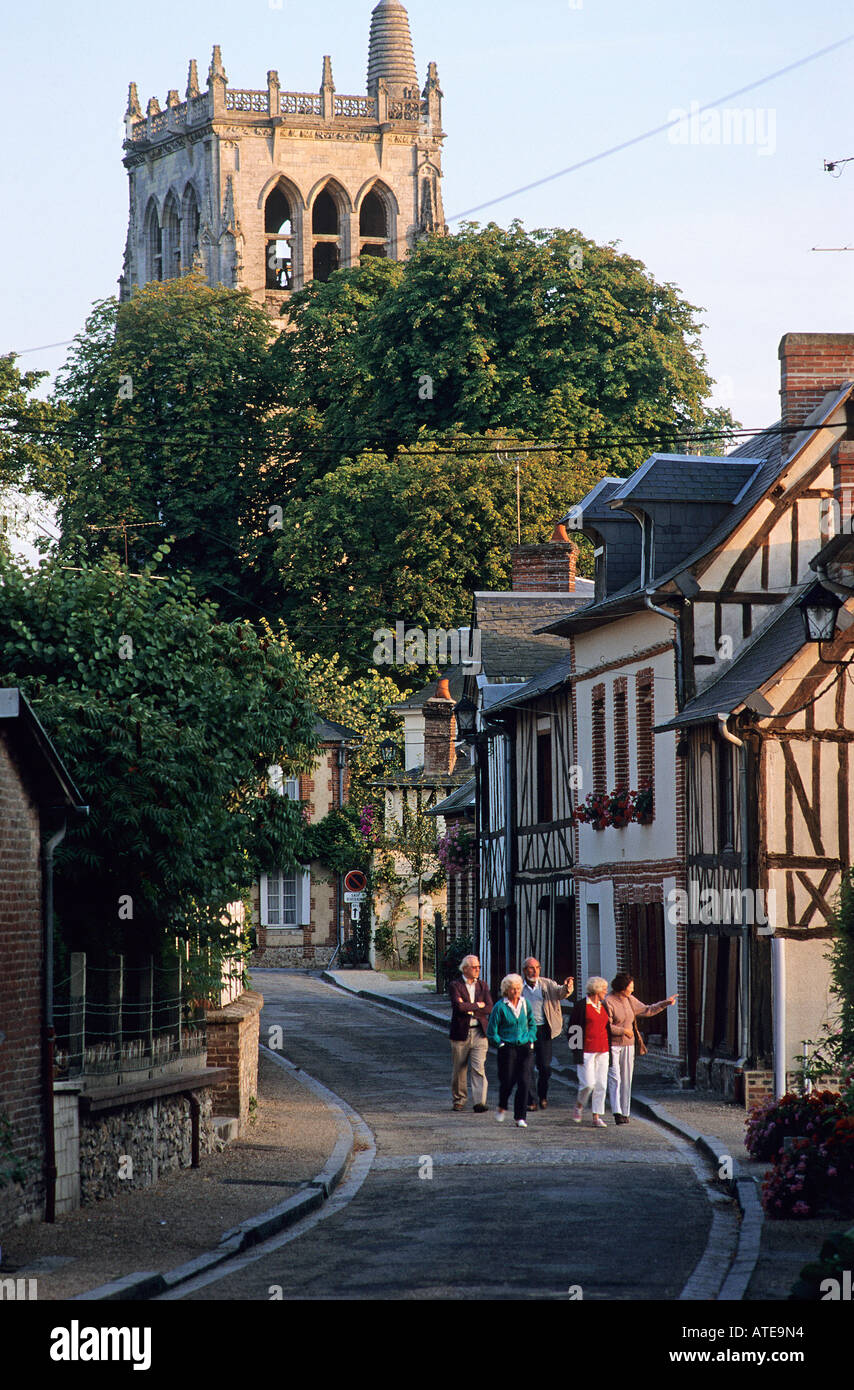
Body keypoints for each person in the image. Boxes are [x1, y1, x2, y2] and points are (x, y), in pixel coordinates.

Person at [605, 973, 677, 1124]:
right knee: (615, 1077)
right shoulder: (608, 1001)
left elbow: (647, 1010)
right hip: (613, 1045)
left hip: (629, 1045)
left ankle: (625, 1112)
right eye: (630, 988)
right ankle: (617, 1111)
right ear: (622, 988)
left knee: (626, 1078)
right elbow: (605, 1026)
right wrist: (622, 1031)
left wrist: (665, 1003)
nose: (632, 990)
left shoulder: (630, 1000)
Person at [521, 957, 574, 1110]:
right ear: (525, 970)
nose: (534, 971)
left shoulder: (547, 984)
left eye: (537, 967)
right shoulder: (519, 986)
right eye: (531, 968)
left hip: (544, 1030)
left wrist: (567, 987)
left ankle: (542, 1095)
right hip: (526, 1031)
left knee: (544, 1067)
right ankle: (531, 1100)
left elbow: (560, 993)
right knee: (527, 1066)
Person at [487, 974, 537, 1127]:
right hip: (507, 1048)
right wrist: (499, 1043)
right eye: (512, 989)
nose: (515, 992)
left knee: (524, 1081)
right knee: (508, 1080)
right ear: (506, 991)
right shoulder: (500, 1007)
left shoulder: (525, 1004)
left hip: (524, 1047)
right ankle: (502, 1105)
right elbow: (491, 1031)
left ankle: (520, 1117)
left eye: (518, 989)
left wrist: (530, 1040)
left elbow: (532, 1024)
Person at [448, 955, 493, 1112]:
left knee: (478, 1067)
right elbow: (458, 1007)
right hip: (461, 1032)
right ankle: (459, 1099)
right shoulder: (455, 985)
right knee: (460, 1068)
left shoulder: (483, 985)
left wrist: (469, 1006)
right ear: (465, 968)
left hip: (479, 1032)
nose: (477, 970)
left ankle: (479, 1102)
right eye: (474, 967)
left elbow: (489, 1007)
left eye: (479, 967)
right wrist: (476, 1005)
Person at [568, 977, 612, 1128]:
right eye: (604, 989)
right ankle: (579, 1105)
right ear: (597, 990)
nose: (606, 992)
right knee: (588, 1084)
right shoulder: (581, 1006)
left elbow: (607, 1028)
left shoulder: (603, 1006)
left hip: (603, 1050)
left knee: (601, 1084)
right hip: (586, 1050)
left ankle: (596, 1116)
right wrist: (576, 1051)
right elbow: (573, 1029)